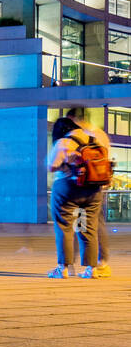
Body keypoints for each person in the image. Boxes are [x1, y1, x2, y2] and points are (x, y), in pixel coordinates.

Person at [47, 116, 107, 278]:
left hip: (68, 189)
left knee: (64, 227)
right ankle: (91, 270)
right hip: (93, 190)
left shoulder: (64, 143)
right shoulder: (94, 141)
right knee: (88, 228)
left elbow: (51, 166)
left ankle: (63, 268)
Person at [66, 108, 113, 278]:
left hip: (81, 185)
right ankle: (101, 263)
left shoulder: (76, 135)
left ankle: (71, 262)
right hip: (99, 186)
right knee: (95, 225)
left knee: (79, 224)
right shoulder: (100, 134)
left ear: (74, 118)